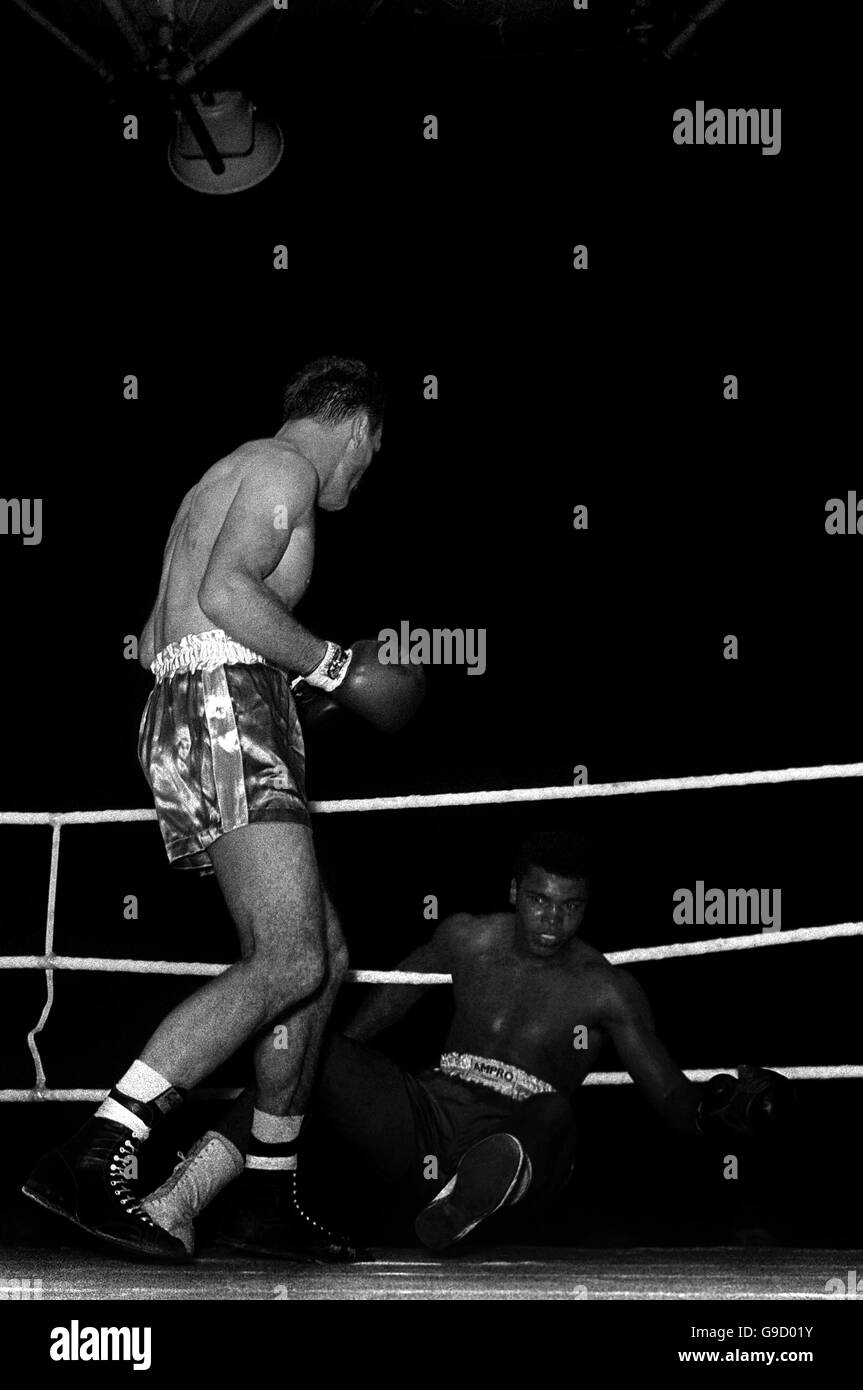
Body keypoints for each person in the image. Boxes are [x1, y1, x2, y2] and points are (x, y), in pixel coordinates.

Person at [22, 355, 424, 1263]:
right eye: (373, 451)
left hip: (211, 706)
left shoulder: (231, 474)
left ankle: (260, 1191)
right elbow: (225, 596)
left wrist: (302, 693)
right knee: (288, 957)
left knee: (320, 963)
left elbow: (178, 629)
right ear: (356, 426)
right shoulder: (282, 466)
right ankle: (95, 1152)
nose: (365, 472)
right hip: (221, 707)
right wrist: (336, 669)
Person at [137, 829, 792, 1255]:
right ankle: (185, 1195)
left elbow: (671, 1096)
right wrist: (330, 1077)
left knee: (555, 1112)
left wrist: (717, 1111)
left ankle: (465, 1204)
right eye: (539, 900)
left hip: (522, 1135)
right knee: (304, 1047)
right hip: (426, 1115)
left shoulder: (606, 990)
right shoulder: (463, 939)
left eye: (570, 907)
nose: (552, 920)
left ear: (587, 908)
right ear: (514, 891)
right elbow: (367, 1025)